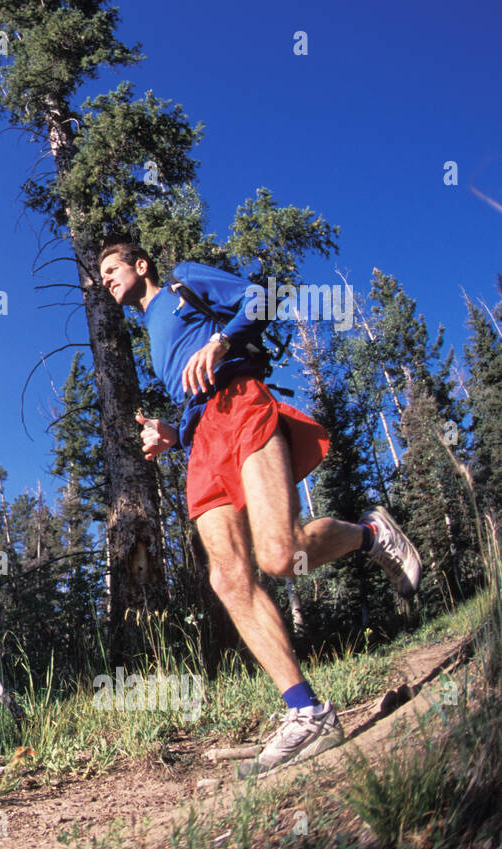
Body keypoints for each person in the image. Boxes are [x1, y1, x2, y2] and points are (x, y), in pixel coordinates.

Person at [98, 242, 422, 778]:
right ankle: (308, 713)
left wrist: (223, 342)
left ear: (141, 266)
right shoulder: (152, 336)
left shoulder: (182, 284)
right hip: (201, 442)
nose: (106, 280)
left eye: (112, 269)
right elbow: (192, 389)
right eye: (101, 276)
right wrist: (172, 434)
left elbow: (264, 297)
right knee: (228, 578)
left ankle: (370, 534)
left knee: (280, 553)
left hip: (242, 406)